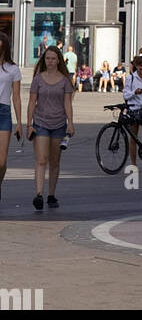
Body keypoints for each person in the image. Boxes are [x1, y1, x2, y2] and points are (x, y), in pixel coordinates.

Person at [27, 45, 74, 210]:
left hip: (59, 124)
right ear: (43, 60)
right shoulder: (38, 79)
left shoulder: (65, 81)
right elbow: (32, 102)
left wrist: (71, 123)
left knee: (54, 161)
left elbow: (67, 103)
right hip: (40, 123)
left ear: (58, 60)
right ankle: (38, 194)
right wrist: (29, 124)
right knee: (41, 160)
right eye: (47, 58)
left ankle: (51, 194)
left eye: (53, 58)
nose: (50, 61)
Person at [0, 32, 23, 202]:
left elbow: (16, 96)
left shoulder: (13, 69)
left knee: (1, 162)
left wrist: (19, 123)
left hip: (4, 112)